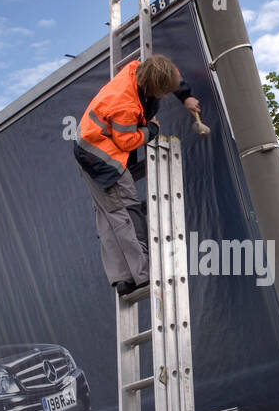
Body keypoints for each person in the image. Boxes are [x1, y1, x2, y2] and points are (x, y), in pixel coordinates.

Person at [75, 54, 200, 296]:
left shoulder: (137, 68)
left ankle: (123, 278)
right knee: (125, 212)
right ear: (151, 87)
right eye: (163, 93)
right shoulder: (126, 105)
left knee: (108, 216)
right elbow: (127, 142)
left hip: (87, 146)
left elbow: (170, 72)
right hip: (101, 155)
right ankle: (143, 274)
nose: (164, 96)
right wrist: (151, 128)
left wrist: (186, 96)